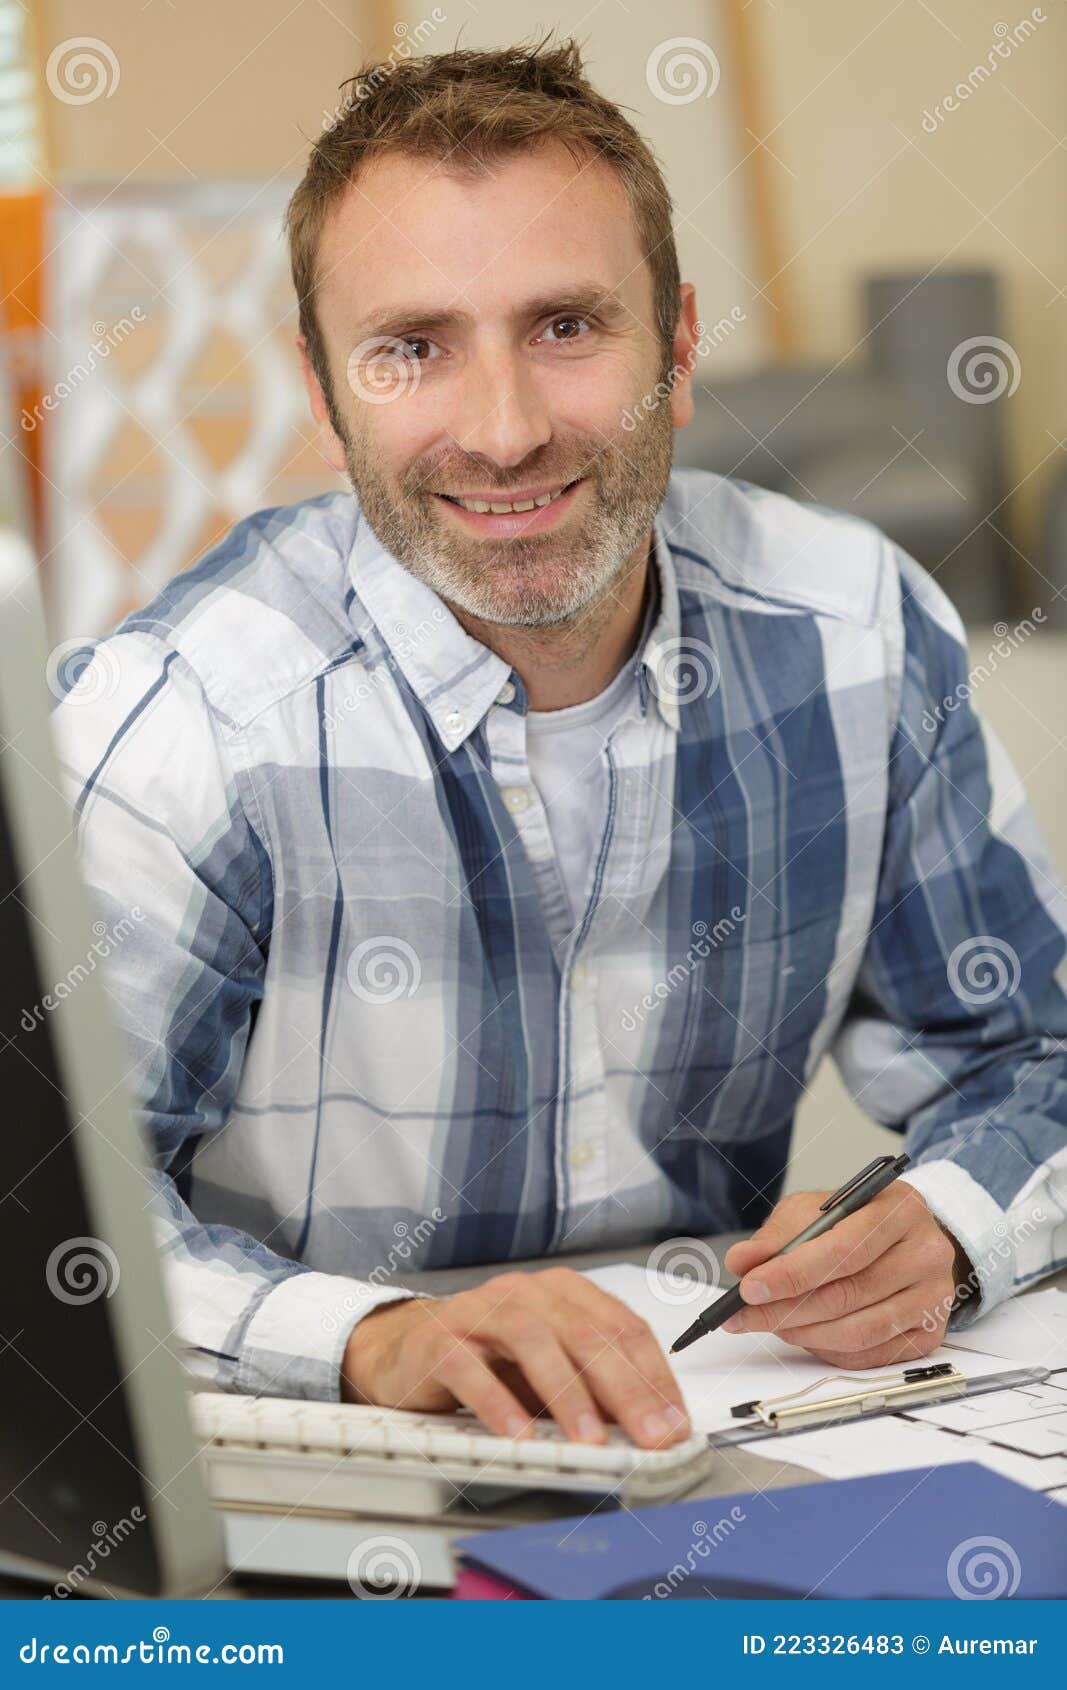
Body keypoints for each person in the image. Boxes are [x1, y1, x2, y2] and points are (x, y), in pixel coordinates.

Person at [51, 39, 1067, 1451]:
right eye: (413, 347)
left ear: (682, 343)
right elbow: (45, 1223)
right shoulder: (182, 723)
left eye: (568, 327)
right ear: (321, 389)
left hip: (718, 1436)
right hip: (326, 1485)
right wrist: (367, 1337)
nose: (506, 429)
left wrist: (954, 1223)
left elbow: (1035, 1049)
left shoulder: (859, 632)